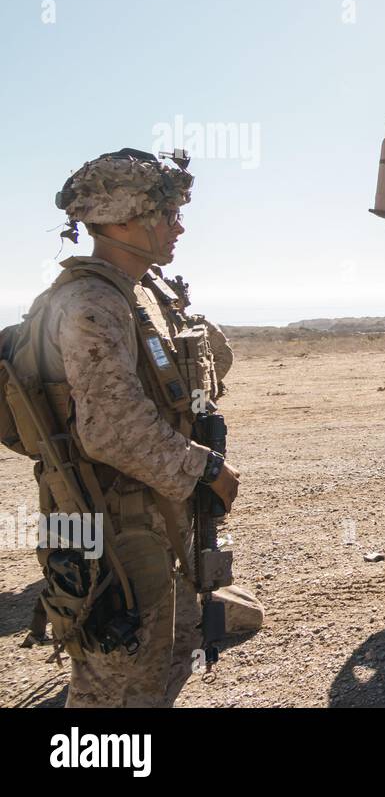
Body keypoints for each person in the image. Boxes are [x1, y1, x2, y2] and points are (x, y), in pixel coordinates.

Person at [9, 148, 239, 706]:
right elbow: (112, 430)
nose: (178, 226)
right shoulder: (90, 302)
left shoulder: (142, 295)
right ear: (117, 220)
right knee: (118, 685)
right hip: (107, 526)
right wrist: (206, 469)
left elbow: (190, 381)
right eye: (163, 214)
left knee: (169, 657)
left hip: (152, 515)